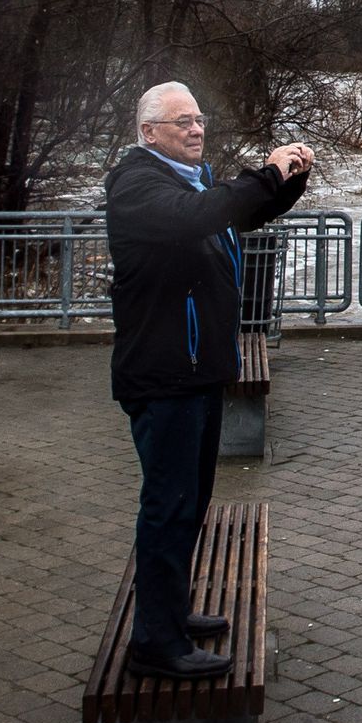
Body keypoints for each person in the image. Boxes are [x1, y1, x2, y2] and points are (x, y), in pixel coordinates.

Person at [107, 81, 312, 680]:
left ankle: (169, 614)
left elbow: (238, 211)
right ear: (150, 134)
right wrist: (263, 174)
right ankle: (156, 644)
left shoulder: (187, 182)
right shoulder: (139, 186)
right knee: (168, 507)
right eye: (182, 122)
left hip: (196, 372)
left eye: (200, 118)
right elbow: (200, 216)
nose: (196, 130)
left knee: (190, 504)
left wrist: (287, 179)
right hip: (163, 376)